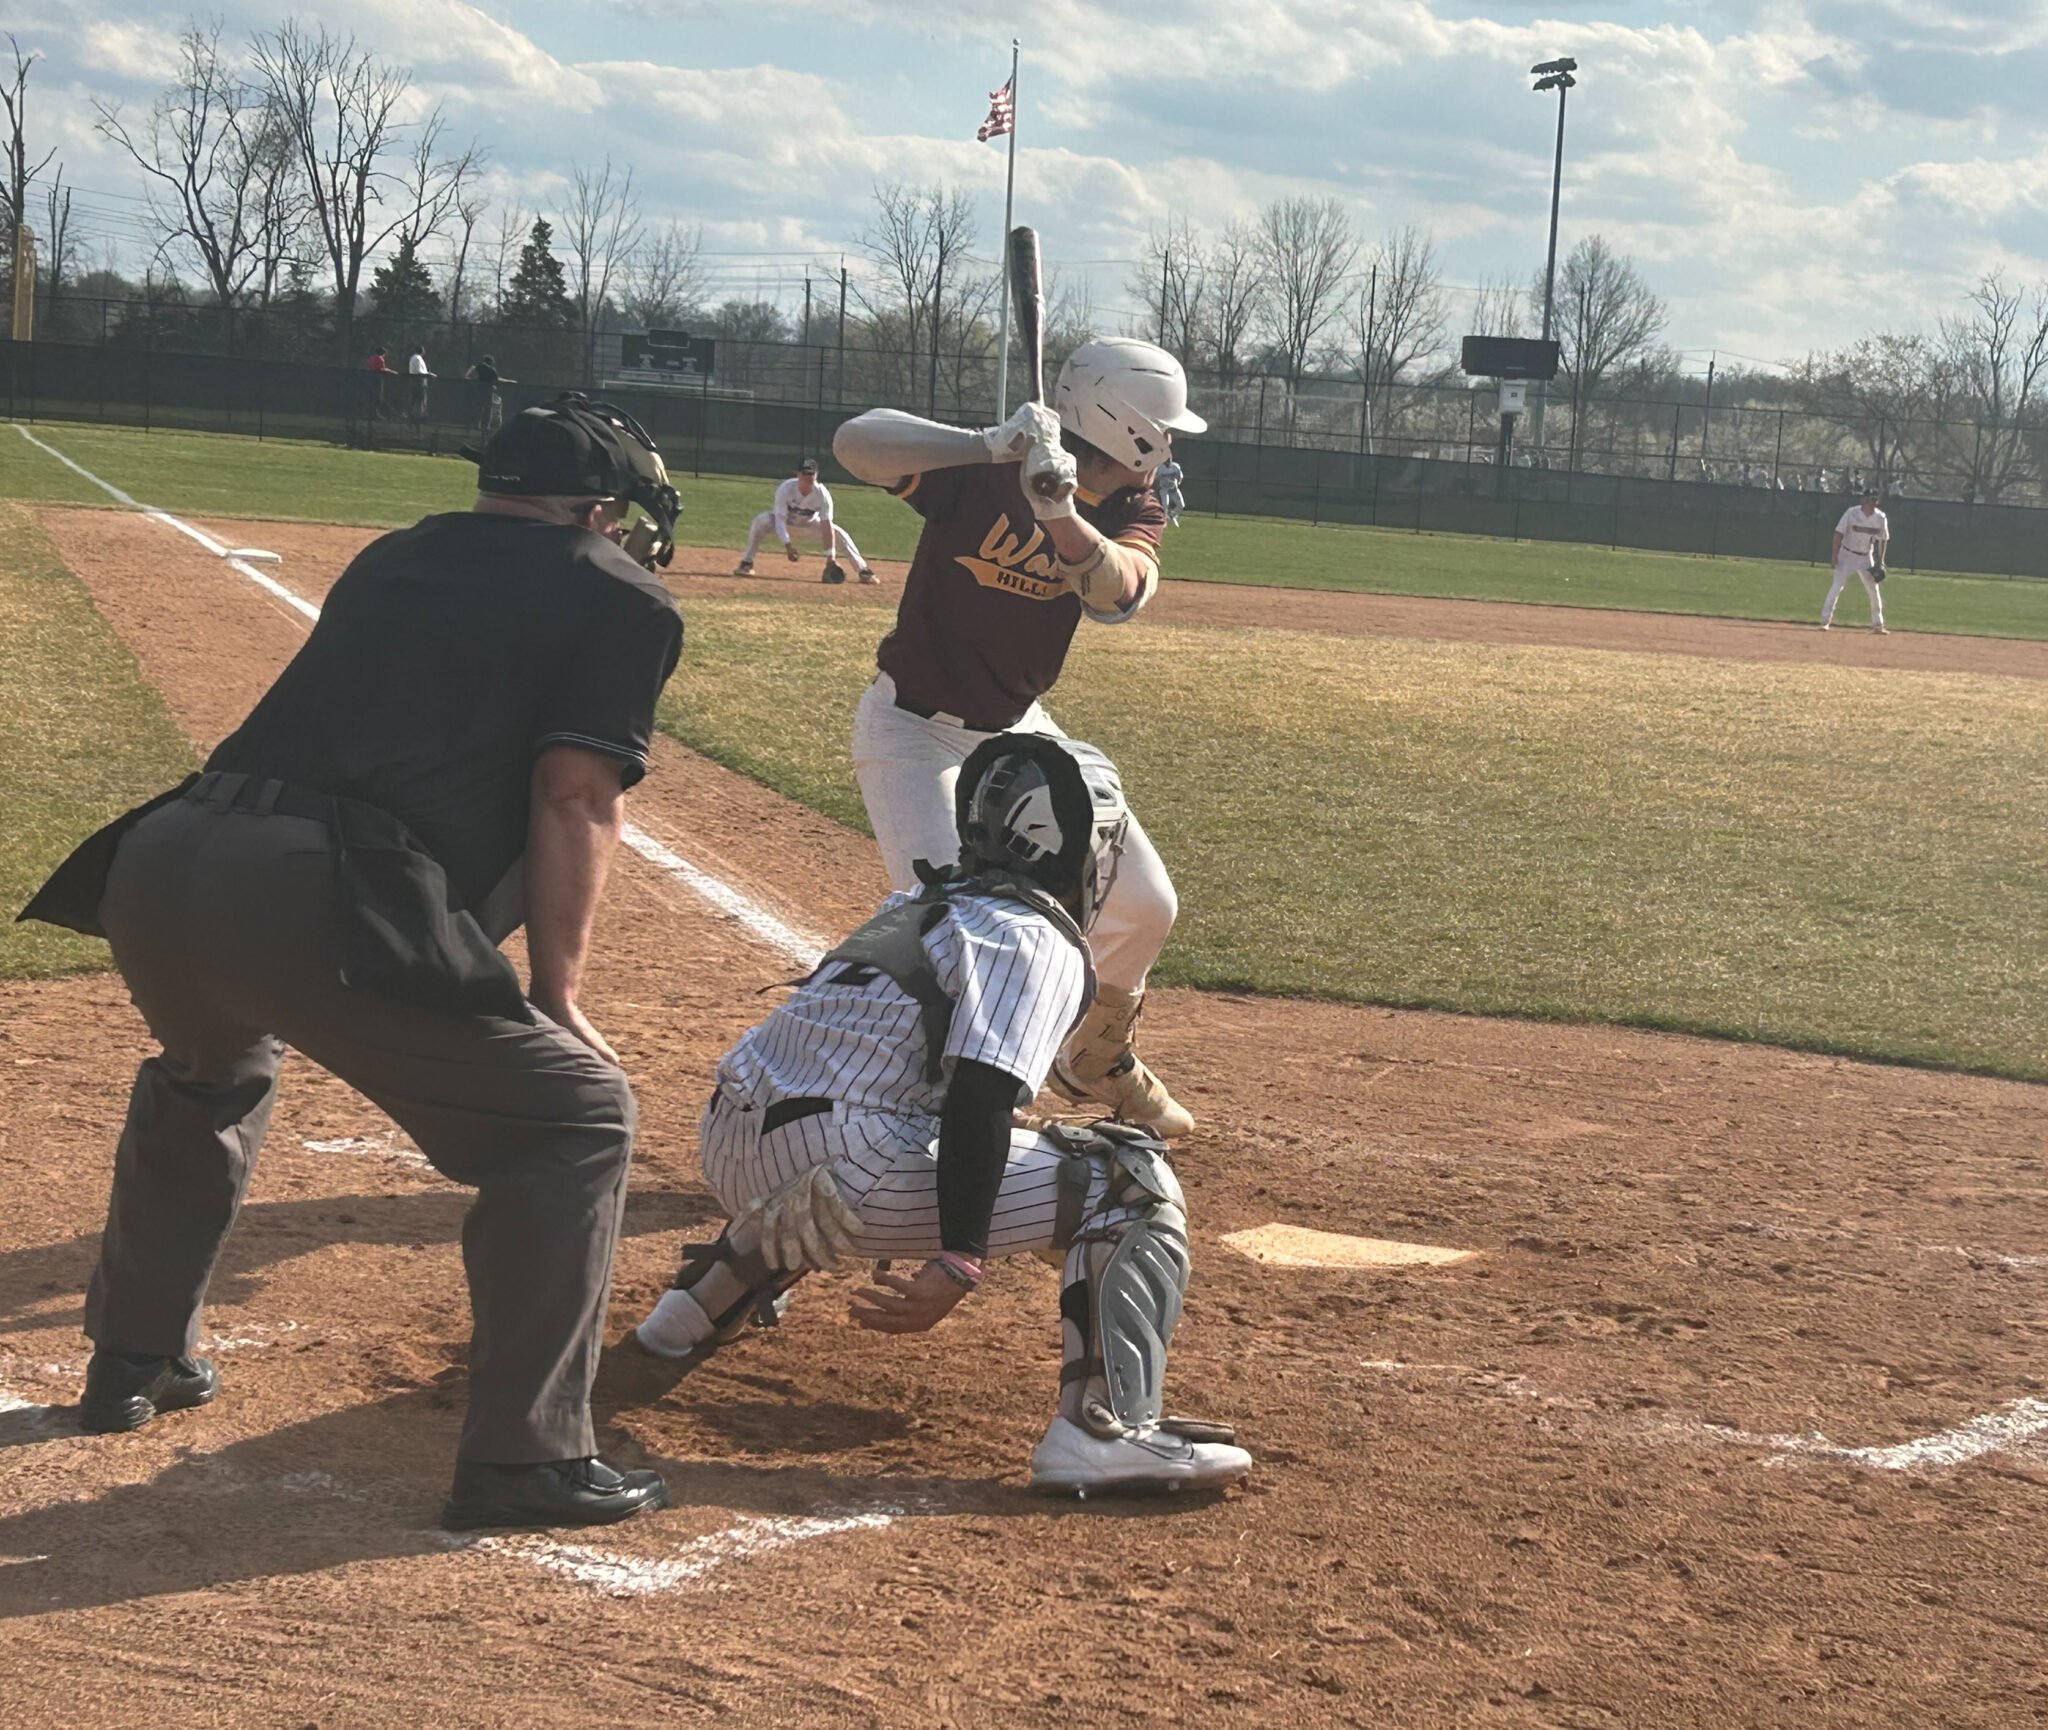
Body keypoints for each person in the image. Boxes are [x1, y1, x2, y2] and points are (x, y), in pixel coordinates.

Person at [20, 397, 686, 1531]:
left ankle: (132, 1358)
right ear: (594, 511)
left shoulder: (396, 553)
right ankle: (525, 1463)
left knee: (210, 1069)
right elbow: (573, 796)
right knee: (574, 1118)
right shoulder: (618, 589)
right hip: (310, 884)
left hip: (165, 854)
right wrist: (557, 993)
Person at [631, 732, 1252, 1496]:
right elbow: (979, 1101)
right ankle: (1104, 1430)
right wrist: (960, 1258)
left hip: (728, 1142)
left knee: (848, 1130)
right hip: (841, 1167)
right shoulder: (1036, 941)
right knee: (1130, 1178)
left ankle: (690, 1314)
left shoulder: (913, 903)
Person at [832, 337, 1203, 1137]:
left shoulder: (1130, 505)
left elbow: (1119, 594)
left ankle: (1093, 1053)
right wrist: (985, 445)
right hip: (913, 734)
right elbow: (853, 443)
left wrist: (1058, 511)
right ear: (1130, 426)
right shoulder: (991, 461)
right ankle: (922, 1115)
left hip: (1017, 730)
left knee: (1144, 904)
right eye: (1164, 430)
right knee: (960, 934)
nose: (1168, 448)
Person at [734, 458, 876, 582]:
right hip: (784, 525)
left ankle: (863, 571)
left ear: (816, 475)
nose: (808, 477)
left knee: (840, 533)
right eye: (805, 473)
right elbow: (779, 520)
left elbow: (826, 526)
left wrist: (830, 558)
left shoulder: (822, 494)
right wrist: (788, 545)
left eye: (811, 473)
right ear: (798, 474)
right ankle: (746, 563)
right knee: (761, 520)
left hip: (809, 526)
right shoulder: (786, 488)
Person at [1821, 484, 1890, 634]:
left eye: (1873, 500)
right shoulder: (1851, 513)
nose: (1870, 502)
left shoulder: (1880, 517)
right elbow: (1838, 533)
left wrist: (1880, 561)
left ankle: (1878, 625)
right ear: (1863, 500)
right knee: (1837, 586)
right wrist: (1834, 554)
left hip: (1866, 557)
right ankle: (1825, 621)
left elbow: (1883, 540)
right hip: (1846, 554)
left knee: (1873, 589)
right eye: (1868, 499)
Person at [466, 353, 517, 437]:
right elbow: (496, 381)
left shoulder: (478, 367)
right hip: (486, 391)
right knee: (487, 409)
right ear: (491, 362)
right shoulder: (491, 370)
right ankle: (484, 426)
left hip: (478, 391)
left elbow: (469, 376)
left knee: (479, 408)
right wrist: (508, 382)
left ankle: (477, 425)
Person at [1153, 455, 1186, 527]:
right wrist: (1158, 486)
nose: (1168, 461)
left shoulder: (1175, 466)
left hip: (1173, 487)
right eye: (1167, 459)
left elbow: (1180, 477)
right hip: (1163, 488)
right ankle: (1164, 521)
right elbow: (1155, 479)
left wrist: (1177, 484)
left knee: (1181, 505)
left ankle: (1171, 516)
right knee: (1165, 505)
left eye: (1169, 459)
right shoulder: (1160, 467)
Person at [406, 346, 435, 423]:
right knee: (420, 399)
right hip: (419, 380)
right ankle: (418, 416)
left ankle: (412, 415)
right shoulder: (418, 358)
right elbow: (419, 371)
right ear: (422, 351)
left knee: (415, 399)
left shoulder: (413, 357)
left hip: (415, 380)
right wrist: (429, 374)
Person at [365, 345, 391, 419]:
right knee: (378, 396)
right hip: (377, 379)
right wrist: (391, 371)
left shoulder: (371, 358)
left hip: (370, 379)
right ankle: (374, 412)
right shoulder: (380, 359)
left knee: (371, 396)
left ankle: (371, 412)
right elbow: (382, 369)